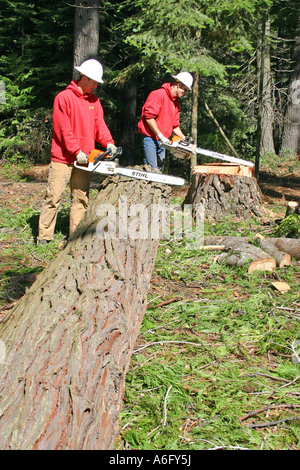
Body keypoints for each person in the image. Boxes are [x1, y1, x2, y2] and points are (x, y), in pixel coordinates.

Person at [37, 59, 117, 244]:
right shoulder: (64, 98)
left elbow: (100, 127)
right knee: (53, 197)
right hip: (63, 157)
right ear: (84, 78)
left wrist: (109, 143)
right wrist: (75, 150)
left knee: (81, 198)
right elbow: (62, 129)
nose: (96, 85)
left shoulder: (94, 101)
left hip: (85, 159)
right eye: (94, 81)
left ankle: (75, 235)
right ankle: (44, 236)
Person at [137, 72, 193, 169]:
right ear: (179, 85)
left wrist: (184, 139)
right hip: (150, 138)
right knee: (151, 169)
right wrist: (160, 135)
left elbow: (175, 126)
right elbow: (149, 117)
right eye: (185, 90)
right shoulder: (158, 94)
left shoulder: (175, 103)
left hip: (163, 141)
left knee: (158, 169)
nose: (185, 93)